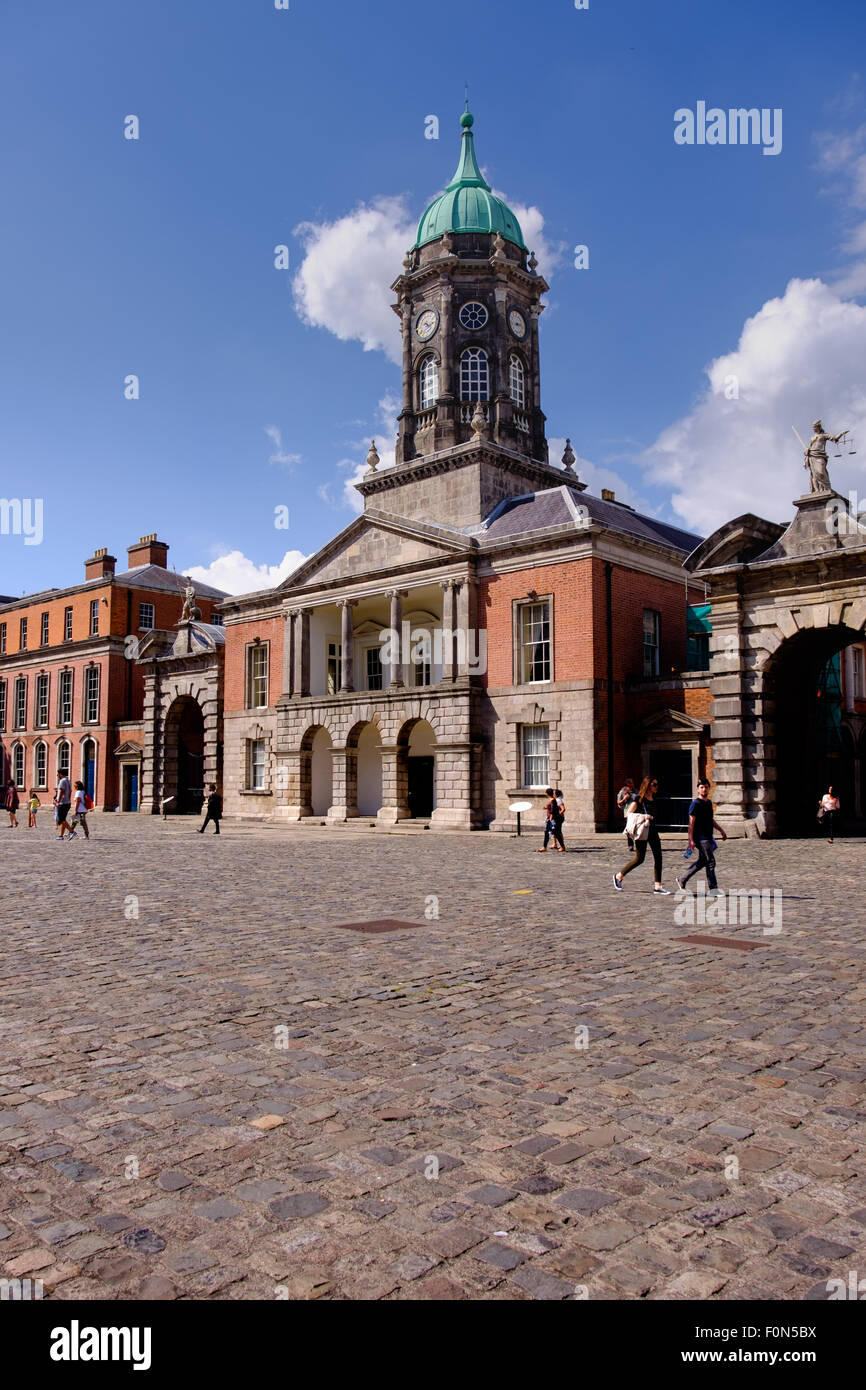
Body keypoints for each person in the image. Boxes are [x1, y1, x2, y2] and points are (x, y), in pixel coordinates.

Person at [612, 776, 670, 894]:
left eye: (657, 784)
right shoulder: (639, 799)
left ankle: (658, 886)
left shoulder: (654, 798)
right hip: (642, 831)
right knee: (640, 859)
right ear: (648, 786)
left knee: (658, 857)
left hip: (653, 830)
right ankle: (619, 876)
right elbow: (628, 814)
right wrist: (644, 816)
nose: (656, 787)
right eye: (654, 784)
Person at [676, 780, 727, 895]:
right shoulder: (695, 804)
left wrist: (721, 830)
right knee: (711, 862)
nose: (704, 789)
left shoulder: (708, 803)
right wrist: (691, 840)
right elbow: (691, 823)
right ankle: (713, 889)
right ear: (698, 789)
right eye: (702, 787)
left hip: (709, 836)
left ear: (709, 788)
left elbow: (711, 820)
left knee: (703, 861)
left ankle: (682, 879)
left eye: (706, 787)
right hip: (700, 838)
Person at [536, 787, 565, 853]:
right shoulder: (551, 800)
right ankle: (544, 847)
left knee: (556, 833)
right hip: (550, 819)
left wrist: (551, 819)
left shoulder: (553, 801)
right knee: (547, 832)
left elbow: (553, 810)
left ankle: (562, 846)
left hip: (553, 819)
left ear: (547, 794)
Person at [617, 776, 635, 849]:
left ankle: (638, 844)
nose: (631, 784)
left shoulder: (635, 791)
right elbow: (618, 803)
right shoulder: (622, 792)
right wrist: (624, 799)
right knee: (629, 829)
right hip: (628, 813)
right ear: (626, 784)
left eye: (632, 782)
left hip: (636, 812)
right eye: (630, 783)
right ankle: (630, 844)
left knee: (636, 829)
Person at [55, 770, 73, 840]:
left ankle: (71, 831)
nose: (57, 775)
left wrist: (58, 801)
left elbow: (62, 791)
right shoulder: (68, 781)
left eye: (58, 774)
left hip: (62, 803)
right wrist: (68, 799)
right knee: (63, 819)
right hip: (67, 802)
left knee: (60, 819)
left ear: (60, 774)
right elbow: (70, 791)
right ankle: (61, 835)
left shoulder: (62, 781)